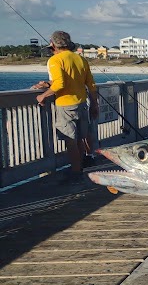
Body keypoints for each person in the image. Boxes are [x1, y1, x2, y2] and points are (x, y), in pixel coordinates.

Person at [34, 31, 99, 183]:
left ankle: (76, 172)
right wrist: (94, 104)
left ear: (53, 44)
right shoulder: (80, 59)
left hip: (65, 104)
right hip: (82, 103)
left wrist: (43, 95)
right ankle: (80, 167)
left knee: (70, 139)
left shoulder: (55, 60)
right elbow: (90, 84)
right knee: (80, 139)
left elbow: (60, 84)